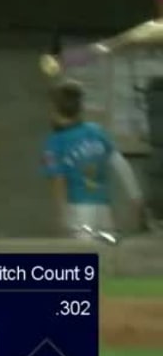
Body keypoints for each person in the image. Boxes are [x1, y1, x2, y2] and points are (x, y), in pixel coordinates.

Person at [43, 79, 141, 243]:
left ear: (55, 109)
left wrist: (62, 217)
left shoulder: (54, 143)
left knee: (84, 256)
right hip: (104, 208)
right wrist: (136, 196)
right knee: (107, 254)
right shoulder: (97, 132)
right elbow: (121, 165)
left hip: (77, 210)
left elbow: (59, 181)